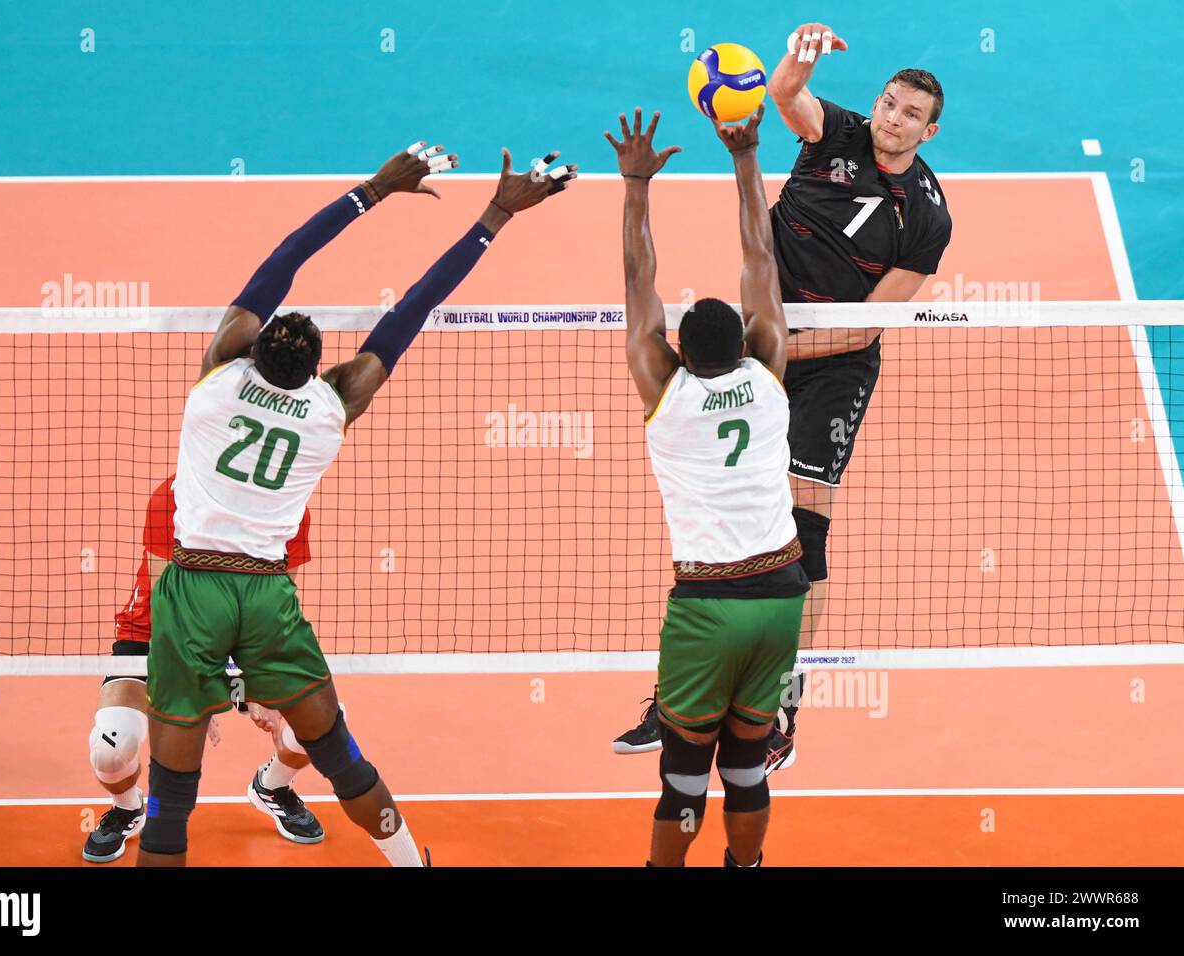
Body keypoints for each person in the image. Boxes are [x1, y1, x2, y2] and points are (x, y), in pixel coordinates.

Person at [136, 141, 574, 866]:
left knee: (170, 792)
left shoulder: (217, 375)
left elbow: (283, 260)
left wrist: (372, 190)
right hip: (267, 598)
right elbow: (413, 309)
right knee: (337, 752)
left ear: (249, 346)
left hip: (194, 592)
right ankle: (408, 861)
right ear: (318, 368)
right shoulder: (333, 407)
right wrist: (495, 215)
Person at [615, 25, 953, 772]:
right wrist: (795, 63)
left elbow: (869, 328)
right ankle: (682, 694)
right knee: (728, 517)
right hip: (761, 337)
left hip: (829, 366)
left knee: (806, 535)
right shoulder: (837, 133)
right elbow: (787, 97)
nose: (891, 119)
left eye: (908, 115)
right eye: (888, 104)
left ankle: (782, 701)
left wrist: (761, 358)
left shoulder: (928, 218)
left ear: (931, 131)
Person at [607, 105, 808, 866]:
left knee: (684, 777)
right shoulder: (769, 374)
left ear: (679, 350)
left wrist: (635, 185)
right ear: (749, 342)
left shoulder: (665, 390)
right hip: (783, 592)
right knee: (748, 767)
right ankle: (746, 865)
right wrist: (748, 156)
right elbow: (761, 254)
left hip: (710, 603)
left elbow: (639, 279)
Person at [83, 476, 322, 863]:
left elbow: (273, 613)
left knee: (316, 720)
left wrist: (257, 683)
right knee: (111, 746)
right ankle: (127, 807)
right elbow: (167, 613)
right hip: (153, 638)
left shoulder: (289, 509)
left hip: (239, 641)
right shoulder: (174, 498)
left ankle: (273, 787)